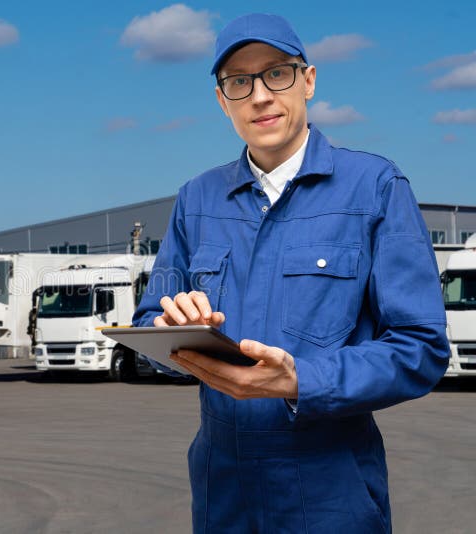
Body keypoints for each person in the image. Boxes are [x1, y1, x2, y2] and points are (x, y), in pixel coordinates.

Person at [132, 13, 449, 533]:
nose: (259, 96)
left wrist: (304, 379)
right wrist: (170, 333)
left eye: (276, 73)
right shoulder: (197, 200)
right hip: (222, 492)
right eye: (239, 82)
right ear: (222, 100)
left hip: (331, 490)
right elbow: (149, 320)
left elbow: (421, 346)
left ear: (308, 80)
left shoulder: (375, 187)